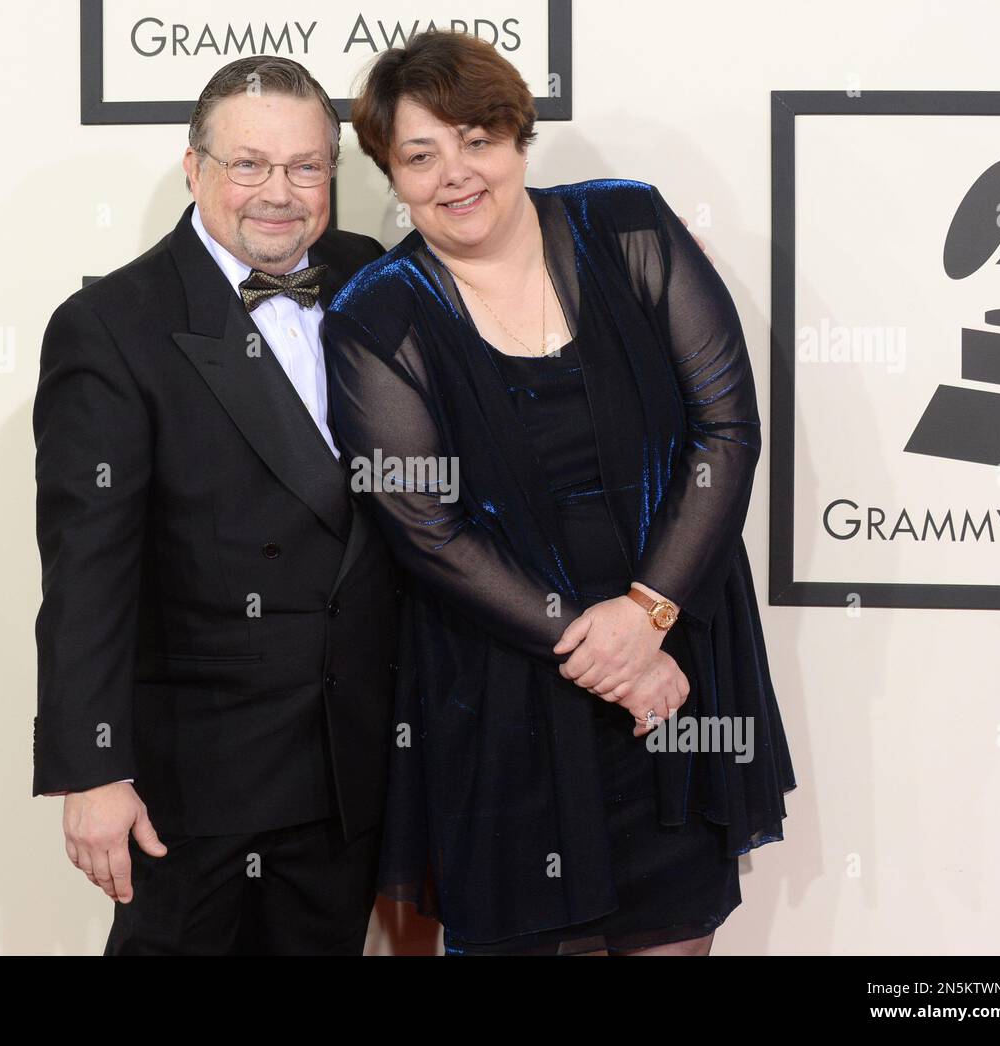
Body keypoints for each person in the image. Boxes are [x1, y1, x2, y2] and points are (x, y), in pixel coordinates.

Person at [323, 29, 797, 955]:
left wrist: (647, 616)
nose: (455, 174)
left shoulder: (627, 226)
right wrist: (610, 651)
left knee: (671, 929)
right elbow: (428, 528)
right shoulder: (376, 316)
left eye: (477, 140)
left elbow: (726, 429)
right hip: (505, 690)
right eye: (420, 156)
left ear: (517, 138)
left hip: (674, 668)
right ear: (390, 171)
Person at [30, 56, 402, 954]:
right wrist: (93, 771)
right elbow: (87, 573)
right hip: (196, 785)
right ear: (194, 169)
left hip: (350, 766)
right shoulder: (112, 325)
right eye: (249, 164)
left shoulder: (370, 274)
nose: (279, 193)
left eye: (307, 166)